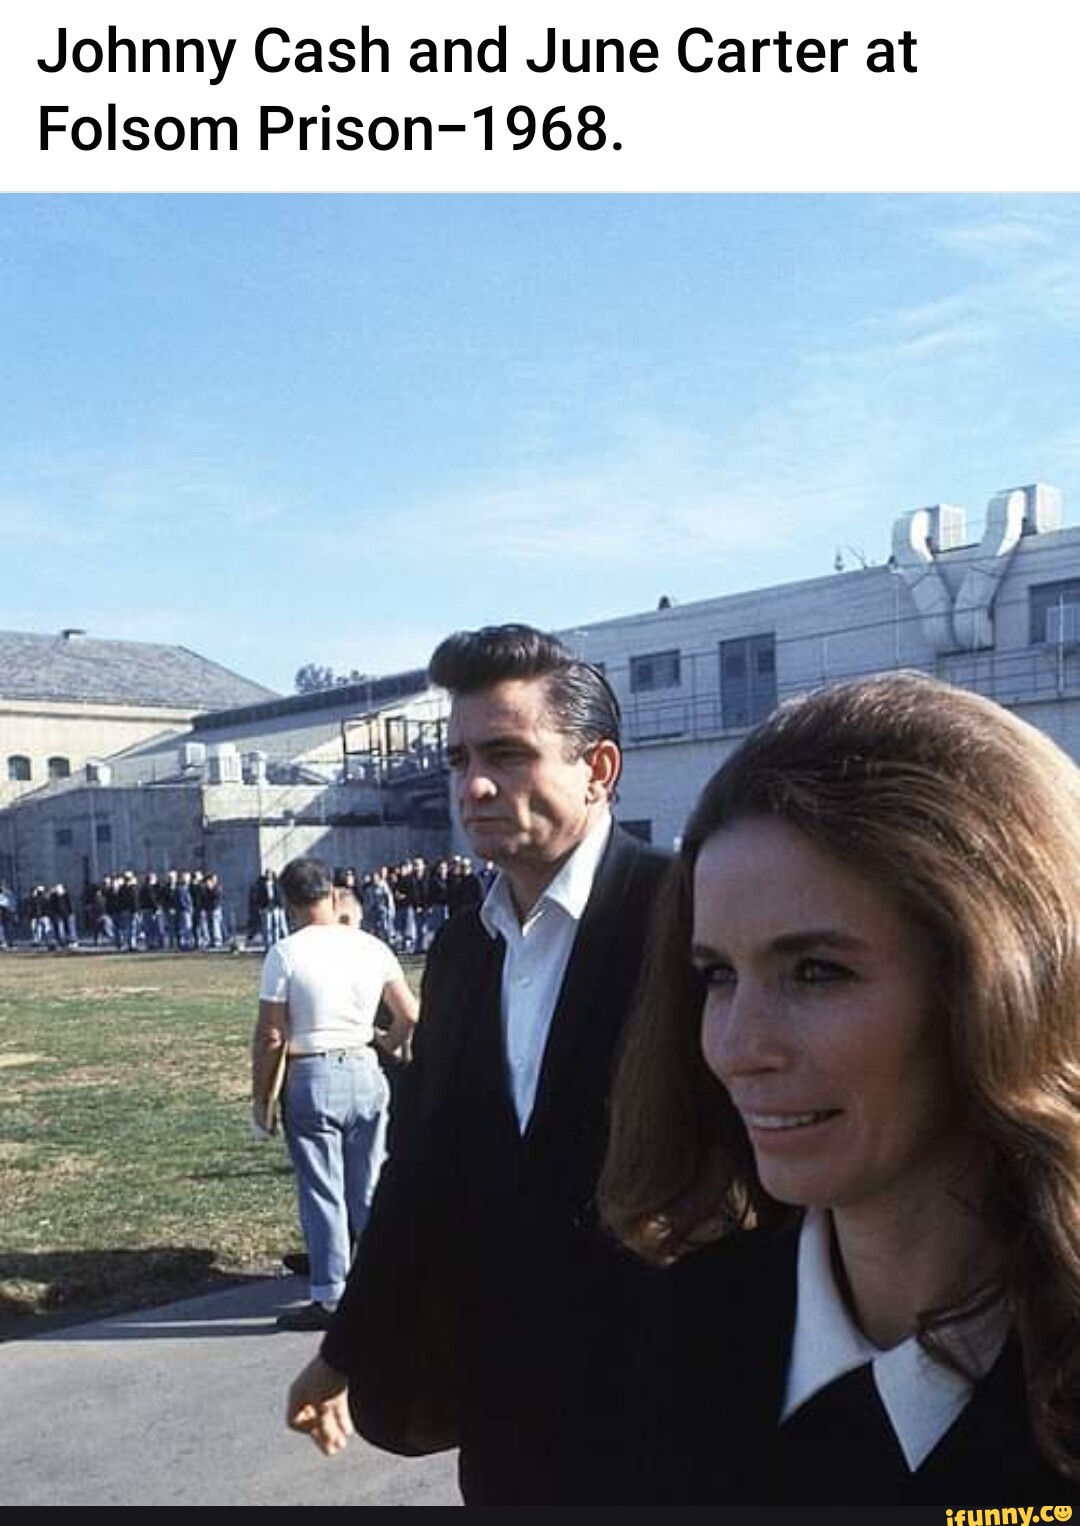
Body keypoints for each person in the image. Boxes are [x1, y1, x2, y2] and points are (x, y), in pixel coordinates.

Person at [597, 671, 1080, 1502]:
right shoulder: (687, 1324)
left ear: (1006, 986)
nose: (737, 1049)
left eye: (817, 971)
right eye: (717, 975)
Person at [285, 623, 669, 1503]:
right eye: (459, 759)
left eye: (506, 754)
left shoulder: (683, 917)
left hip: (666, 1404)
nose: (474, 785)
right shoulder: (464, 951)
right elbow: (419, 1171)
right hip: (505, 1415)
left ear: (598, 769)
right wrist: (342, 1352)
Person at [251, 856, 418, 1332]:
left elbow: (272, 1035)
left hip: (312, 1070)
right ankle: (391, 1282)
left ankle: (331, 1294)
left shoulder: (286, 953)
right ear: (331, 893)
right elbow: (409, 1014)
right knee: (369, 1186)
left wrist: (261, 1096)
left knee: (322, 1189)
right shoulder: (371, 946)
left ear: (289, 903)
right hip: (364, 1066)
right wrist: (384, 1043)